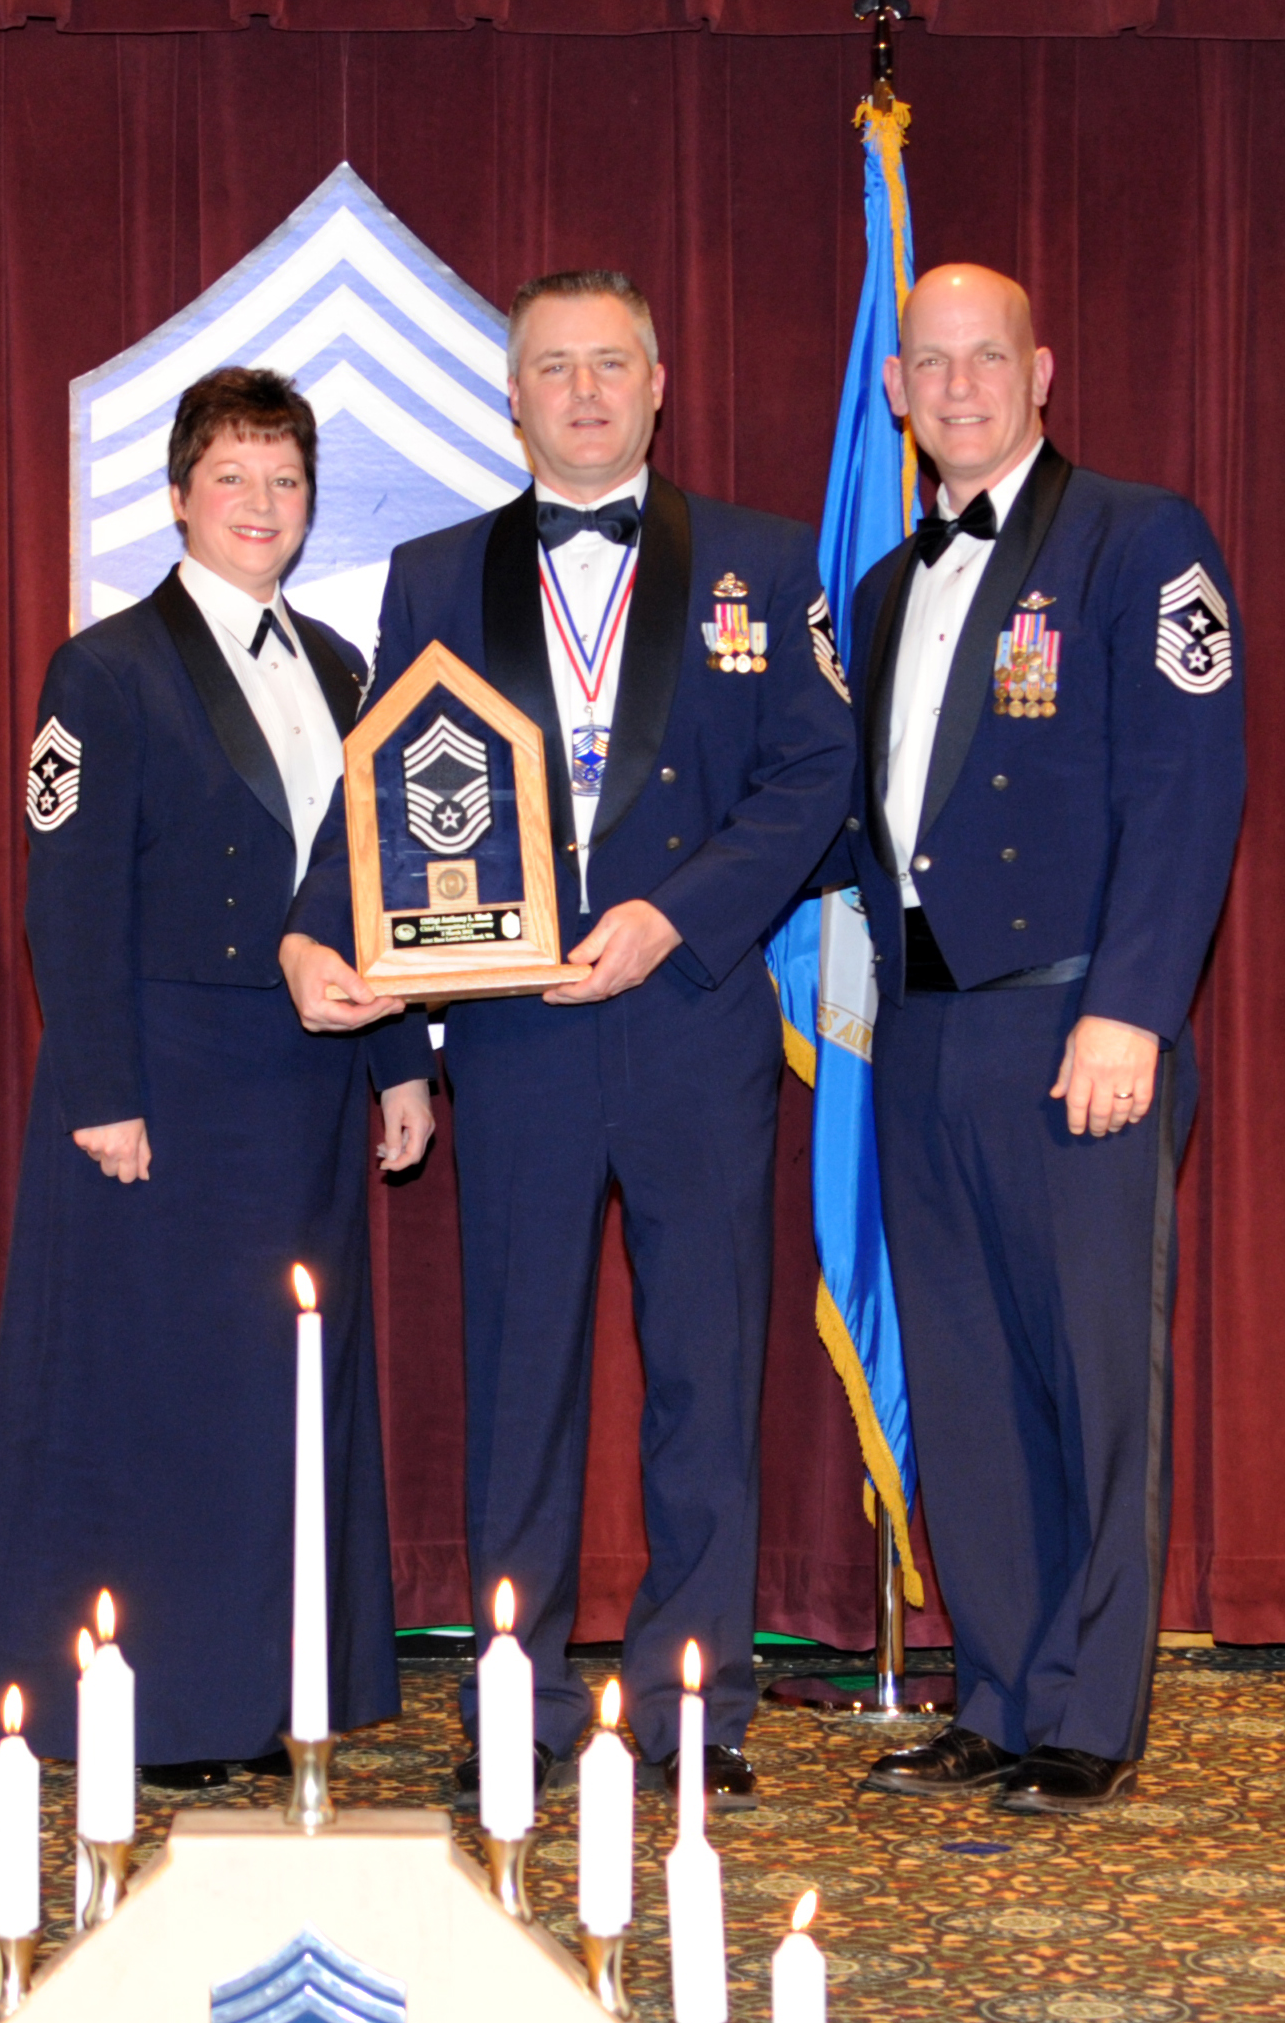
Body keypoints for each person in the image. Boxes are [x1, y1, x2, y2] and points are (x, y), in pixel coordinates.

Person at [282, 271, 855, 1805]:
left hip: (691, 1021)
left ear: (661, 382)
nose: (586, 391)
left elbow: (817, 772)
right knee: (518, 1377)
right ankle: (510, 1706)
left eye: (612, 364)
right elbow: (379, 792)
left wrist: (678, 915)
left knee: (704, 1370)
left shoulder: (760, 558)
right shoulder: (429, 573)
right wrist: (343, 971)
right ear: (512, 396)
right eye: (555, 368)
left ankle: (696, 1709)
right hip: (515, 1040)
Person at [0, 368, 434, 1783]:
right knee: (156, 1394)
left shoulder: (346, 668)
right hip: (157, 1085)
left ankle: (273, 1689)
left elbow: (375, 883)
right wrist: (102, 1090)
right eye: (232, 478)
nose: (260, 505)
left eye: (284, 481)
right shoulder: (102, 669)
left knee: (278, 1391)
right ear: (178, 496)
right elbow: (68, 896)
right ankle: (151, 1711)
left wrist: (402, 1064)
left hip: (306, 1088)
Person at [835, 266, 1244, 1812]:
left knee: (1091, 1381)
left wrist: (1132, 1005)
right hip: (927, 1040)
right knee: (968, 1382)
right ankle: (999, 1690)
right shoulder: (883, 592)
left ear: (1041, 368)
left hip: (1081, 1029)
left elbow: (1189, 789)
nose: (956, 387)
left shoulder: (1140, 540)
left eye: (984, 357)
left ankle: (1087, 1715)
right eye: (927, 364)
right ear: (895, 390)